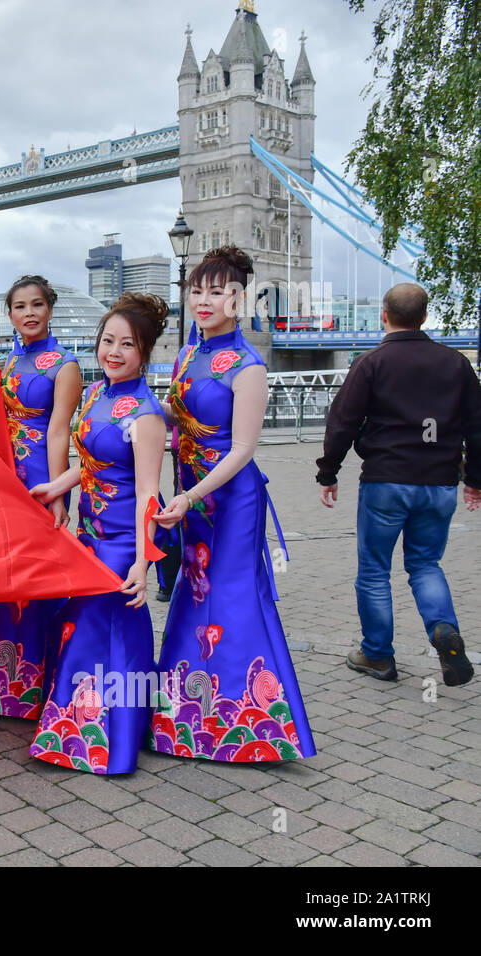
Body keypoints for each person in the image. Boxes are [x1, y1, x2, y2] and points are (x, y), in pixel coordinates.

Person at [151, 245, 316, 762]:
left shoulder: (248, 367)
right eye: (196, 289)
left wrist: (189, 495)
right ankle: (185, 717)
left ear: (240, 299)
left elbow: (244, 450)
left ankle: (249, 723)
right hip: (191, 500)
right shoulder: (185, 356)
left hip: (231, 500)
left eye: (218, 291)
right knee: (195, 593)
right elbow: (177, 421)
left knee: (234, 598)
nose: (204, 300)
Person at [27, 292, 167, 774]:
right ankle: (94, 731)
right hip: (90, 534)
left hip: (123, 542)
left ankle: (97, 739)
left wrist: (142, 563)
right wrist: (54, 487)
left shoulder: (147, 415)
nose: (113, 352)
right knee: (93, 631)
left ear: (144, 352)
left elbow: (150, 492)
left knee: (101, 631)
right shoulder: (92, 395)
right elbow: (90, 467)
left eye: (126, 345)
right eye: (107, 341)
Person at [317, 281, 480, 687]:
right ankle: (443, 630)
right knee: (425, 564)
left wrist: (328, 471)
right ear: (425, 317)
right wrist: (474, 480)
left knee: (374, 571)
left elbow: (343, 421)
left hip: (386, 480)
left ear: (384, 317)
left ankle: (377, 656)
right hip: (440, 481)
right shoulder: (457, 364)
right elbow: (477, 428)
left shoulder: (371, 362)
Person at [0, 275, 82, 720]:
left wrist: (60, 490)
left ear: (50, 309)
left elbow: (59, 430)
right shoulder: (6, 364)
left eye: (37, 305)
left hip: (37, 479)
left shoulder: (64, 365)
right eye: (19, 307)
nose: (28, 313)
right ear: (9, 314)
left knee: (32, 577)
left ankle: (26, 688)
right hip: (1, 475)